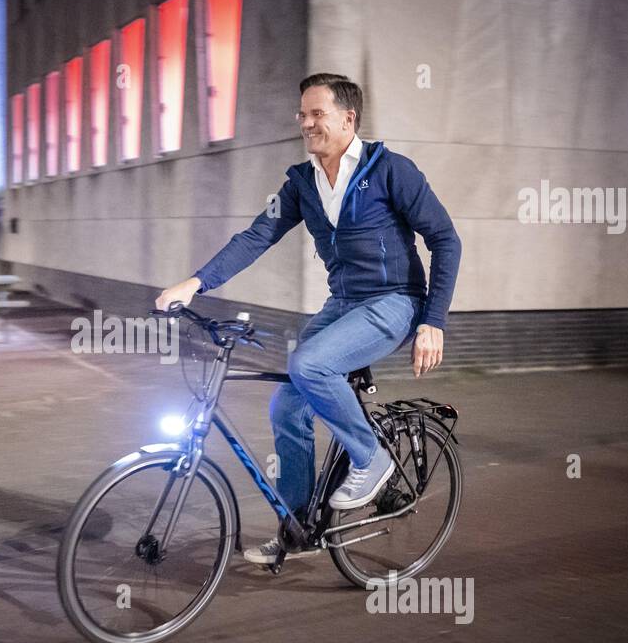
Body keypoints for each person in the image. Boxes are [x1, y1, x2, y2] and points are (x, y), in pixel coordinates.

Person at [154, 73, 462, 564]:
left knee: (312, 365)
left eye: (317, 113)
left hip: (395, 300)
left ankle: (373, 459)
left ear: (348, 118)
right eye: (303, 114)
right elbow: (257, 236)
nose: (306, 122)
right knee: (286, 408)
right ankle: (298, 528)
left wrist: (433, 321)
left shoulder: (391, 171)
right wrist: (196, 283)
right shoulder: (302, 184)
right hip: (343, 304)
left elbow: (446, 239)